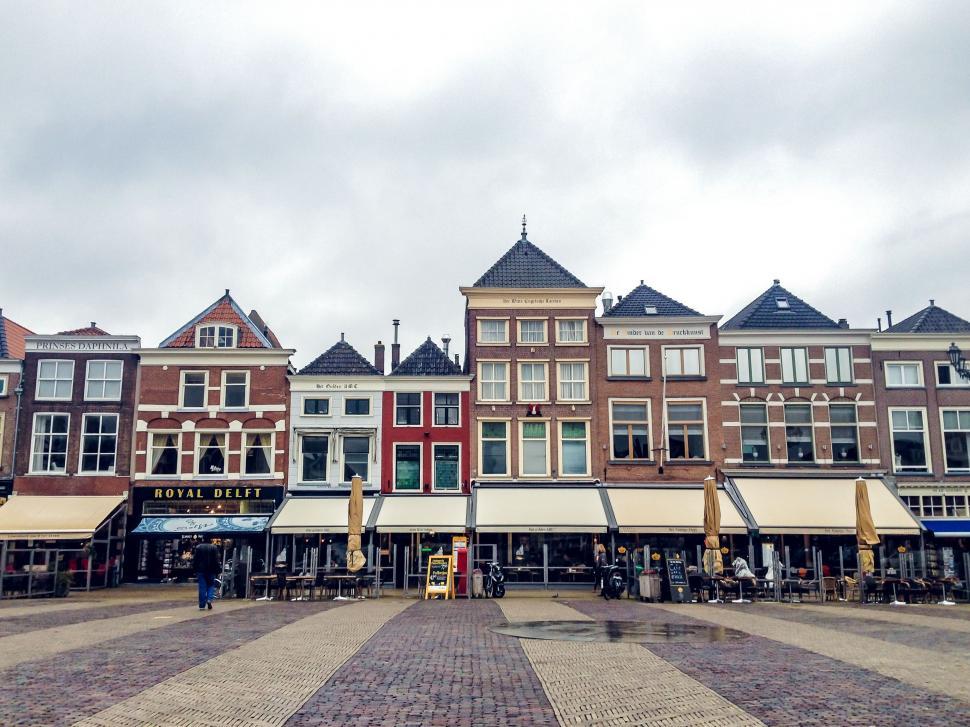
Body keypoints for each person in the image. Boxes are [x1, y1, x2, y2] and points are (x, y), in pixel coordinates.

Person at [193, 538, 221, 610]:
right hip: (211, 570)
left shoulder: (198, 547)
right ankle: (209, 599)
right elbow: (216, 559)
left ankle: (202, 605)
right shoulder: (214, 547)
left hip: (201, 570)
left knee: (202, 587)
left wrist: (195, 569)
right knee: (211, 585)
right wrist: (218, 569)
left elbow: (195, 559)